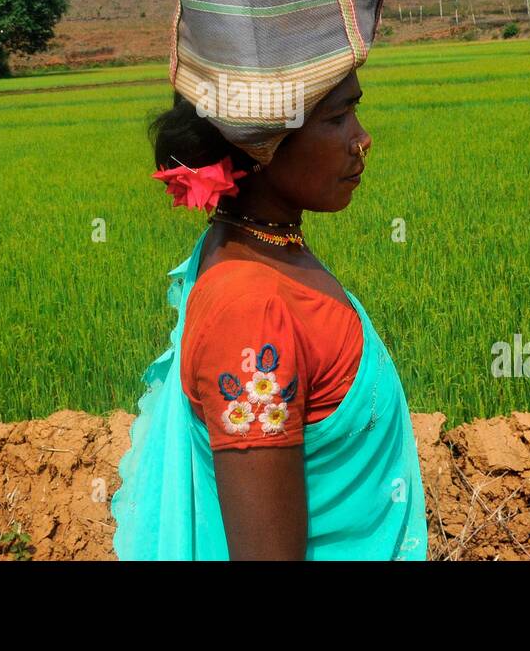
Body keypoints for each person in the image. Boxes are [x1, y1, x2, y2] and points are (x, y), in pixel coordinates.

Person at [110, 67, 428, 560]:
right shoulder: (253, 313)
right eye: (339, 116)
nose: (362, 139)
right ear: (260, 143)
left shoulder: (269, 244)